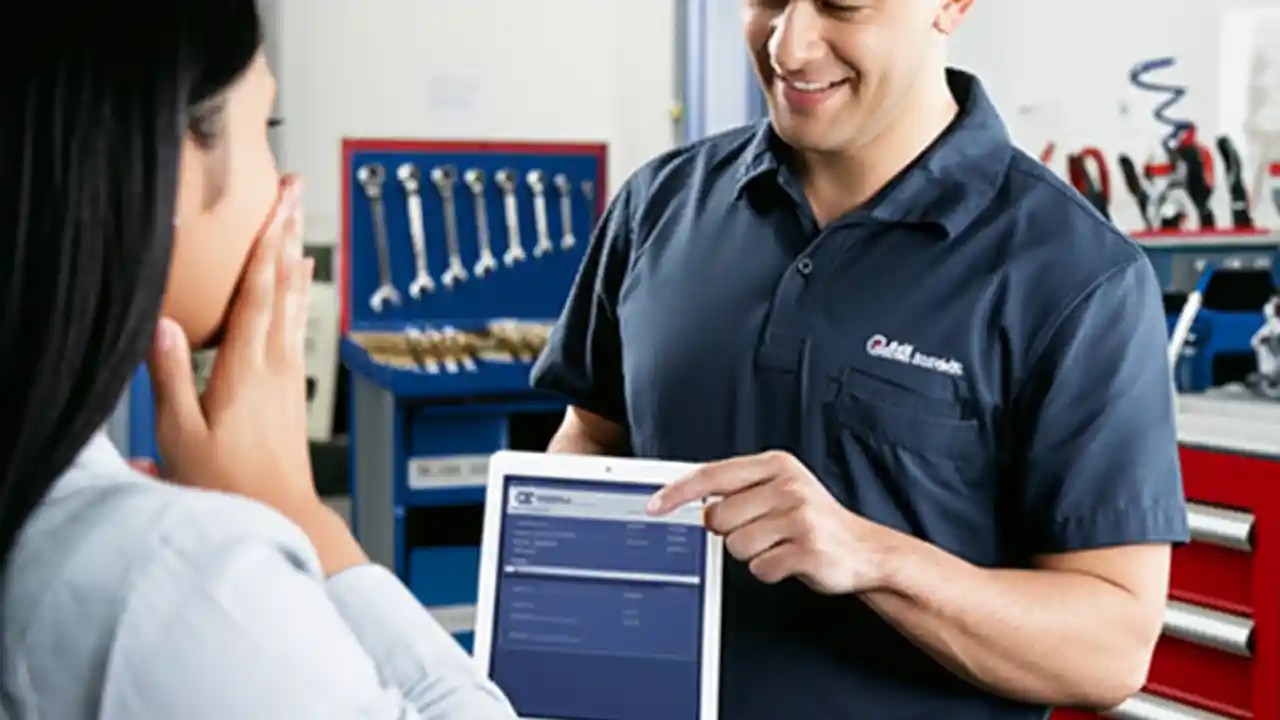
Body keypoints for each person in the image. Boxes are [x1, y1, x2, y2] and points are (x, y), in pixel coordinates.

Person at [531, 1, 1188, 718]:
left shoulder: (1075, 276)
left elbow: (1109, 650)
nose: (789, 46)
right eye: (767, 0)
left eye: (842, 5)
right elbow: (593, 436)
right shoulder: (658, 207)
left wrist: (875, 558)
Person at [0, 5, 515, 719]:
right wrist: (294, 509)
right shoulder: (182, 575)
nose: (284, 184)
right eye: (267, 128)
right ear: (173, 169)